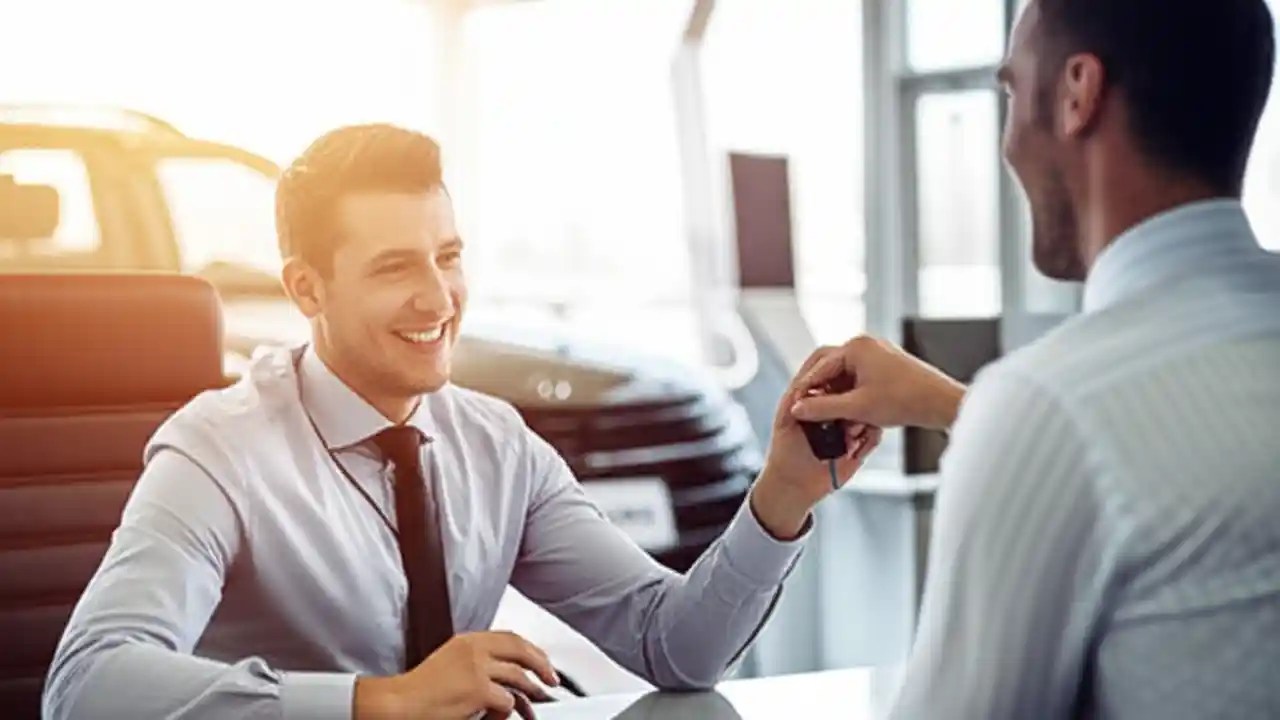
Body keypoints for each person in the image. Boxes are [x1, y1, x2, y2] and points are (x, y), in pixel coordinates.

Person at [41, 124, 882, 720]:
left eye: (448, 256)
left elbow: (675, 648)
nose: (438, 298)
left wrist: (783, 495)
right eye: (395, 267)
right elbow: (86, 687)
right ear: (306, 291)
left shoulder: (495, 444)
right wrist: (383, 704)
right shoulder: (219, 449)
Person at [791, 0, 1280, 718]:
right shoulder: (1064, 412)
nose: (1009, 139)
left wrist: (1001, 417)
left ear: (1078, 93)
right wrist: (961, 405)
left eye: (1012, 90)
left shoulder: (1051, 409)